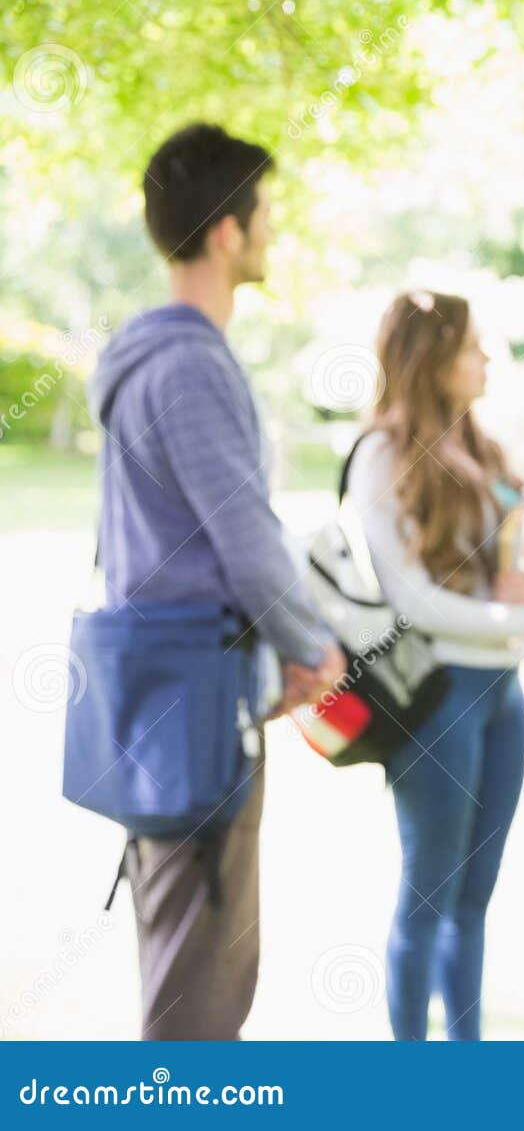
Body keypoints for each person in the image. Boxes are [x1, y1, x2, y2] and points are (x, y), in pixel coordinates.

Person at [88, 122, 346, 1039]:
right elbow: (243, 536)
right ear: (228, 231)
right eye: (264, 212)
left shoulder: (144, 357)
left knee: (186, 953)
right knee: (202, 979)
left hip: (166, 693)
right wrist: (313, 648)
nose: (272, 229)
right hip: (195, 704)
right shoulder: (191, 363)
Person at [345, 291, 524, 1040]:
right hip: (439, 695)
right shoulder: (382, 454)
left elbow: (494, 562)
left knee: (475, 897)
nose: (486, 359)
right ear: (430, 355)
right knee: (429, 893)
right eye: (472, 346)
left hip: (505, 688)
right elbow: (411, 600)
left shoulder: (483, 447)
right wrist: (519, 615)